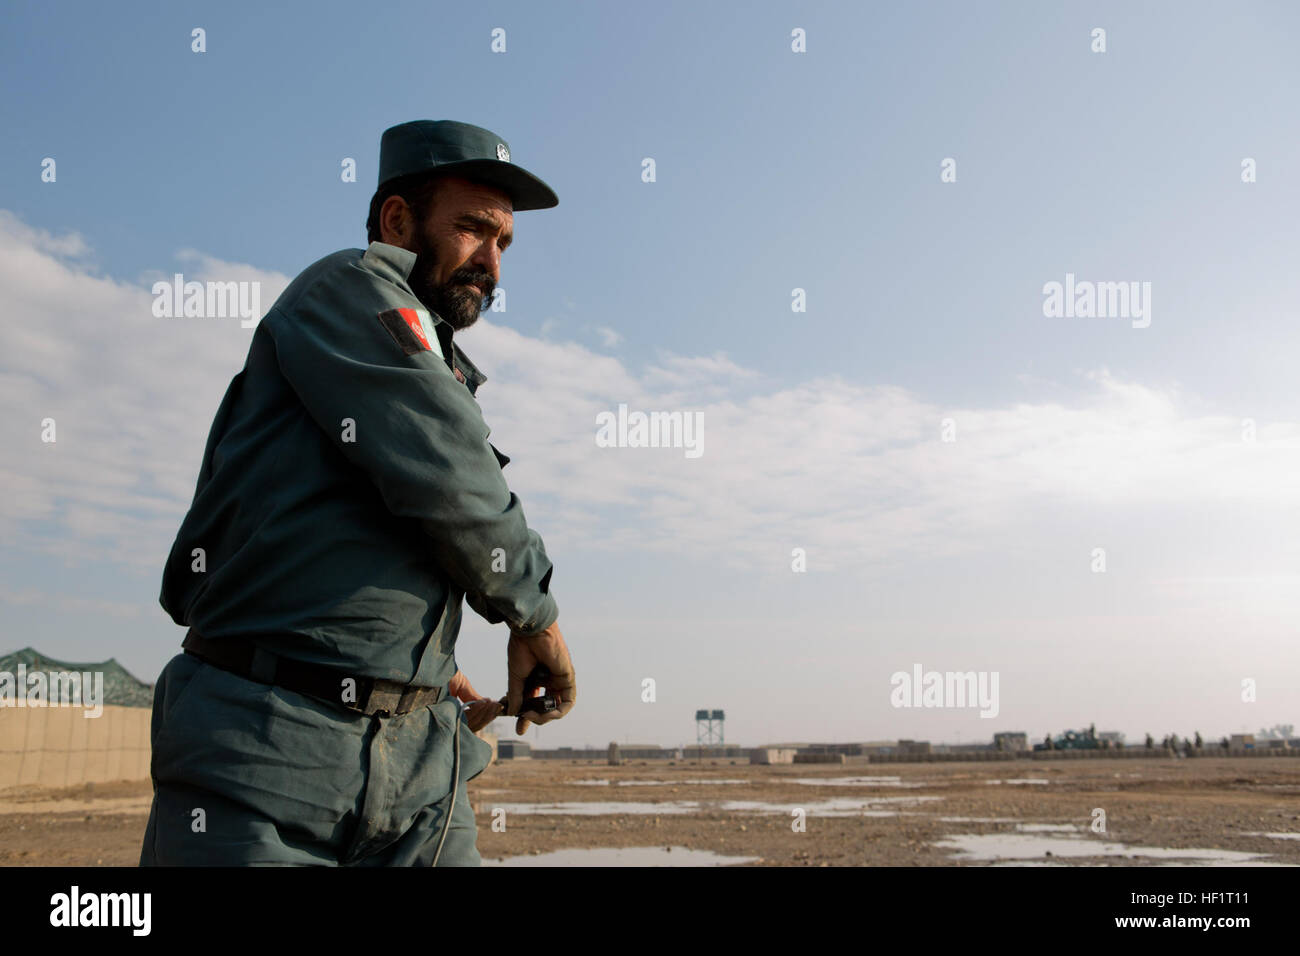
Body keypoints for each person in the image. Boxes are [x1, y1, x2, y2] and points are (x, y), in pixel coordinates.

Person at [139, 120, 575, 866]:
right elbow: (445, 469)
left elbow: (402, 510)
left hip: (420, 771)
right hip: (267, 754)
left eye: (504, 242)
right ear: (397, 221)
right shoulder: (348, 291)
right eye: (472, 229)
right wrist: (536, 619)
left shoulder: (436, 358)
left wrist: (417, 665)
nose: (491, 262)